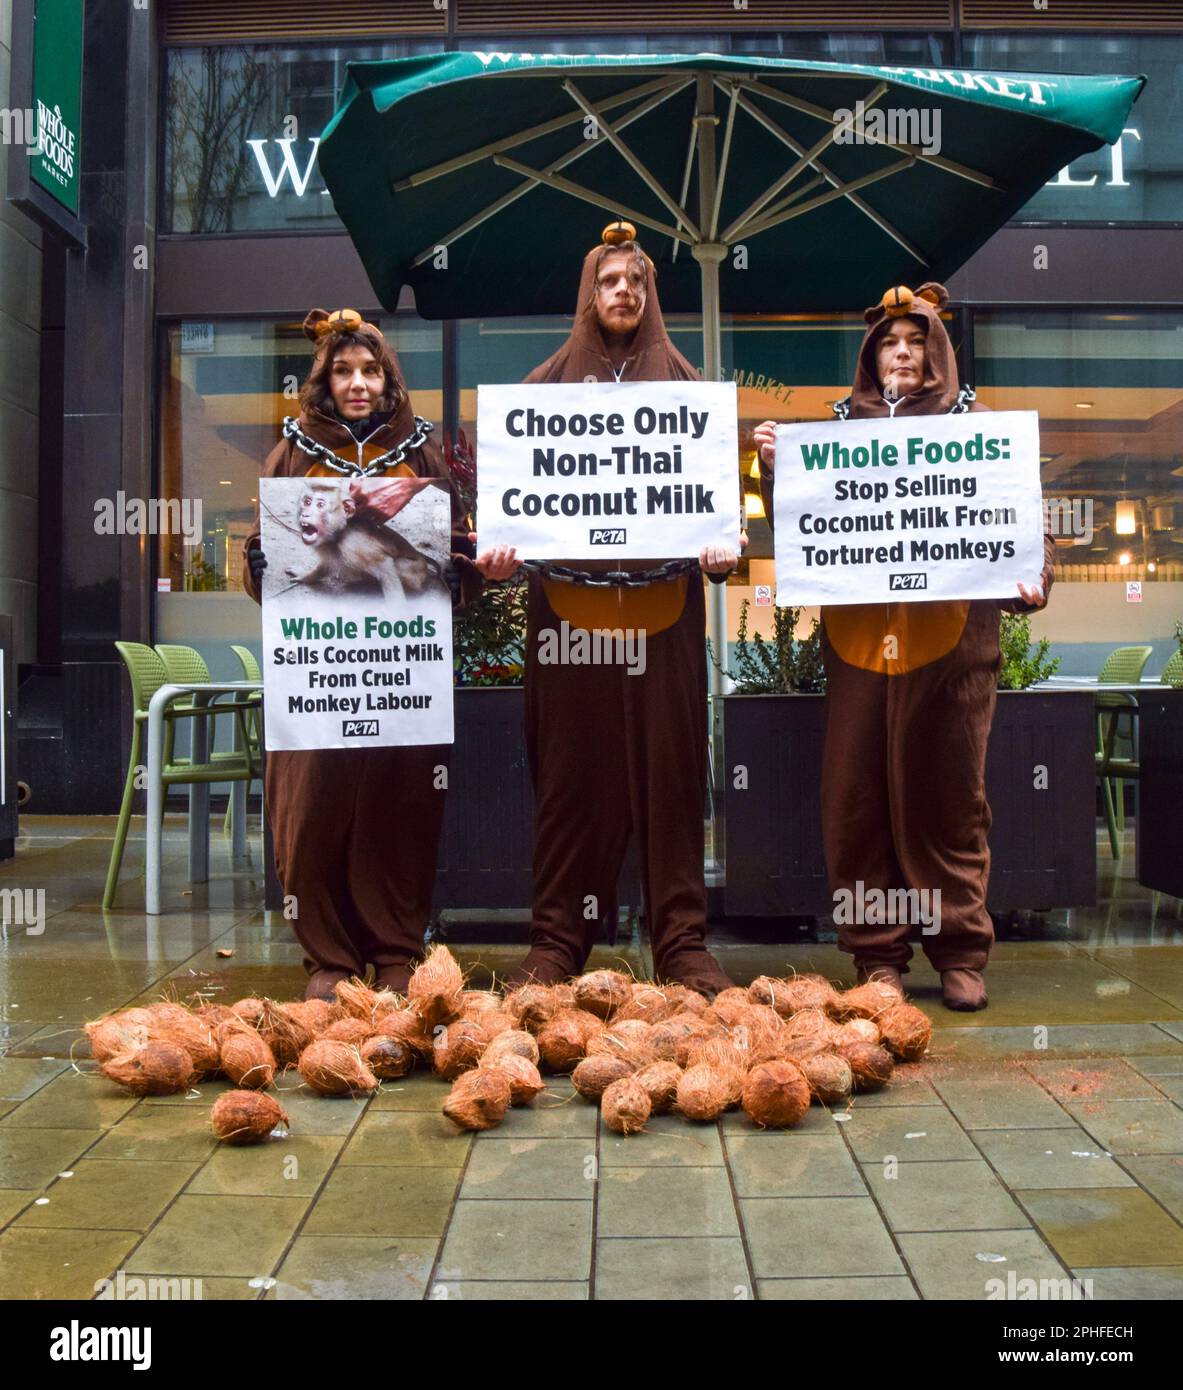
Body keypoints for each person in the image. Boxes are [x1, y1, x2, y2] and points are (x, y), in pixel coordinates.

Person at [754, 283, 1054, 1011]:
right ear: (870, 354)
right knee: (856, 799)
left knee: (949, 796)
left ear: (937, 354)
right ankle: (875, 955)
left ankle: (957, 949)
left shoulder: (975, 424)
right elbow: (802, 526)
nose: (902, 354)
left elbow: (1020, 514)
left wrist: (1037, 566)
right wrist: (773, 471)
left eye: (916, 344)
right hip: (859, 650)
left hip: (952, 647)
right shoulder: (835, 430)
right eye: (890, 343)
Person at [495, 223, 740, 998]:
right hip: (568, 620)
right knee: (570, 782)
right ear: (588, 294)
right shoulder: (539, 391)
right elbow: (510, 506)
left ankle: (680, 940)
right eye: (609, 281)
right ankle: (558, 936)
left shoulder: (691, 393)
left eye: (635, 280)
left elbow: (718, 512)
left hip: (662, 617)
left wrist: (722, 547)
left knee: (671, 780)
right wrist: (499, 552)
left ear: (650, 293)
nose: (623, 292)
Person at [243, 308, 514, 1000]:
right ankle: (328, 958)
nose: (357, 383)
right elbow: (262, 575)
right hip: (319, 677)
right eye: (343, 371)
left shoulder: (420, 454)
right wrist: (258, 558)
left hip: (398, 675)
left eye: (370, 370)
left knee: (400, 807)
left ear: (388, 379)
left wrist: (466, 569)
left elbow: (452, 561)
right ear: (323, 381)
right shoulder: (290, 453)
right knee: (310, 808)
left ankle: (395, 949)